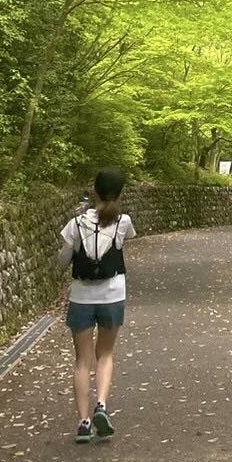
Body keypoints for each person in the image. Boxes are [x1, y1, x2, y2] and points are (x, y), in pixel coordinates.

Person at [58, 167, 136, 443]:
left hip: (81, 296)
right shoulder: (123, 221)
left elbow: (61, 261)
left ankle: (83, 422)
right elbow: (125, 239)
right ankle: (101, 404)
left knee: (82, 360)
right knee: (106, 354)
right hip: (112, 295)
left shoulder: (75, 224)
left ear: (94, 190)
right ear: (120, 192)